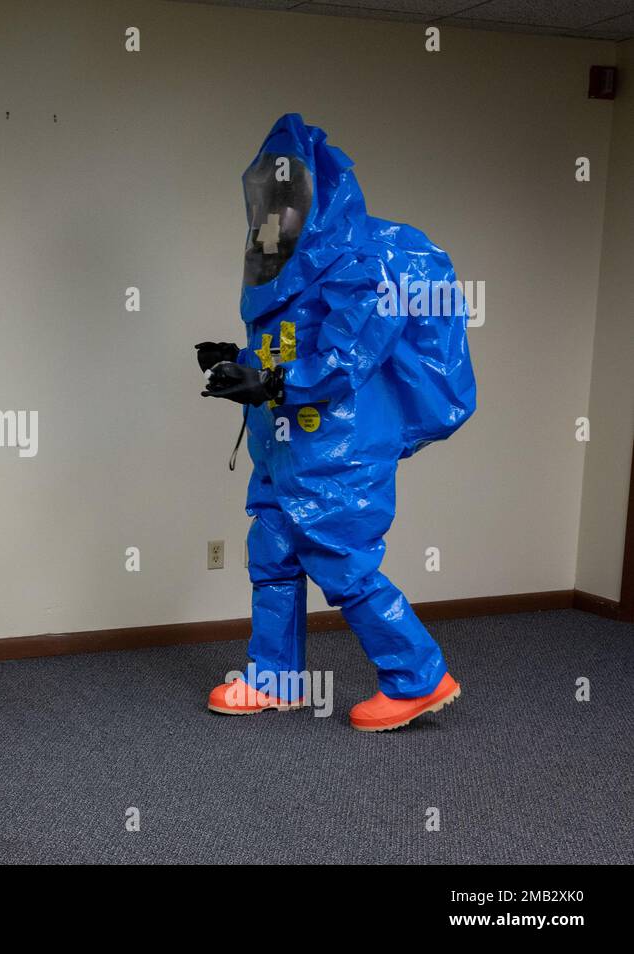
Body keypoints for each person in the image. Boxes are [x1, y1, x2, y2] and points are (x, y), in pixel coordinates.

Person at [199, 113, 475, 731]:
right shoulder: (279, 263)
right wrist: (239, 363)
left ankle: (419, 677)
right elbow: (285, 344)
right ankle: (276, 680)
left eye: (287, 191)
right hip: (282, 441)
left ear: (314, 190)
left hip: (338, 443)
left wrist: (268, 383)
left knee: (341, 559)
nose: (274, 206)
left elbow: (346, 360)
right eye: (268, 193)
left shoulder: (362, 264)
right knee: (271, 552)